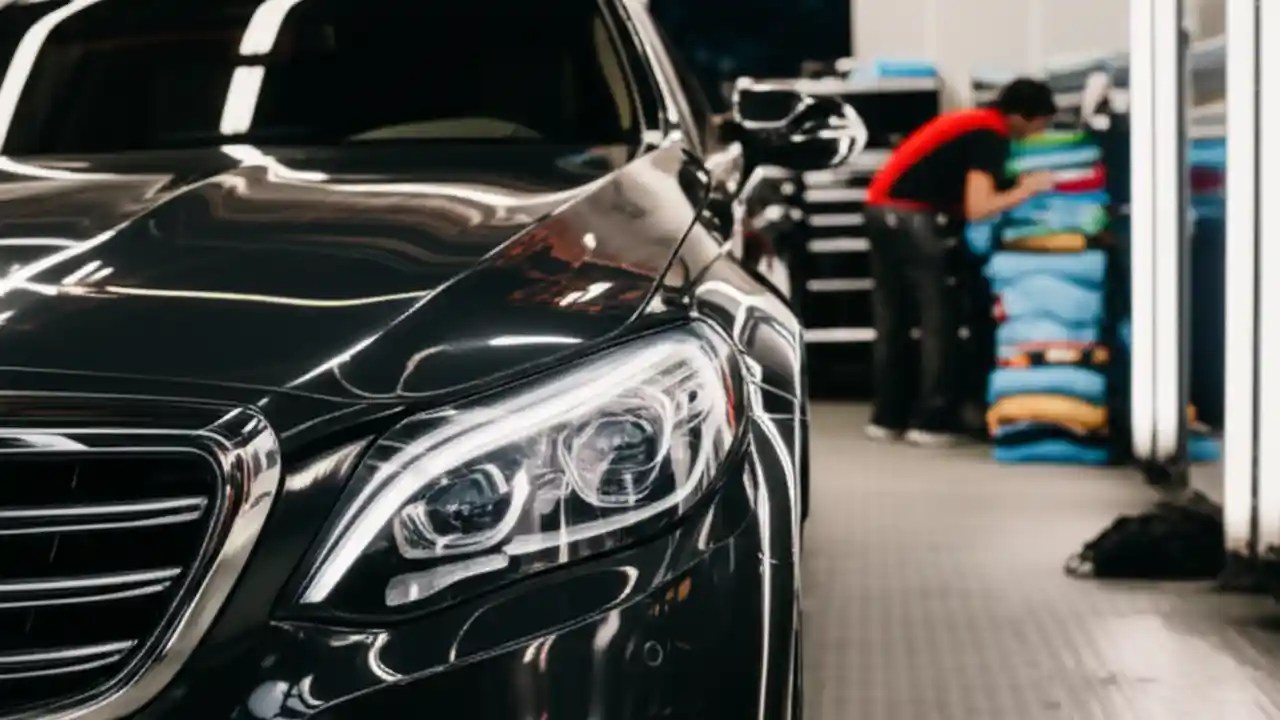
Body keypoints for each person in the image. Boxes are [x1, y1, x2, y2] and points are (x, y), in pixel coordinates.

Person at [862, 78, 1059, 447]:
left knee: (894, 321)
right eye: (1041, 126)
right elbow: (979, 206)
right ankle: (931, 422)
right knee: (940, 320)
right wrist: (1026, 190)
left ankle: (888, 418)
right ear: (1024, 117)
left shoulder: (968, 121)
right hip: (915, 219)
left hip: (879, 210)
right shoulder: (990, 134)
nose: (1038, 135)